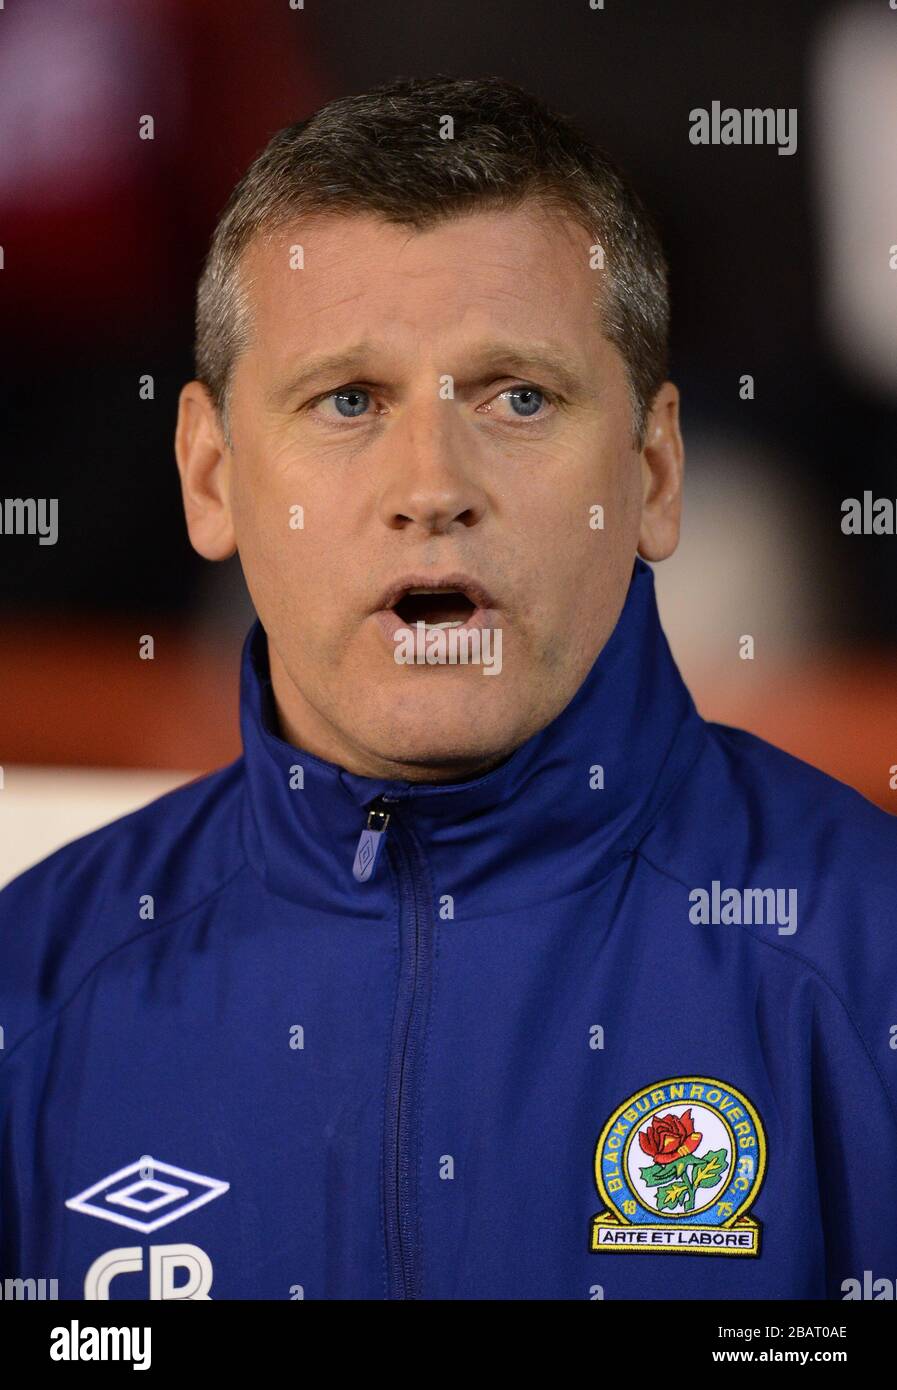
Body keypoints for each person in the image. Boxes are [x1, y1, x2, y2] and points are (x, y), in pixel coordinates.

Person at [2, 75, 895, 1301]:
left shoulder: (870, 960)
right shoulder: (29, 992)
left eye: (518, 397)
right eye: (349, 400)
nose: (432, 482)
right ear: (210, 476)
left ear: (655, 466)